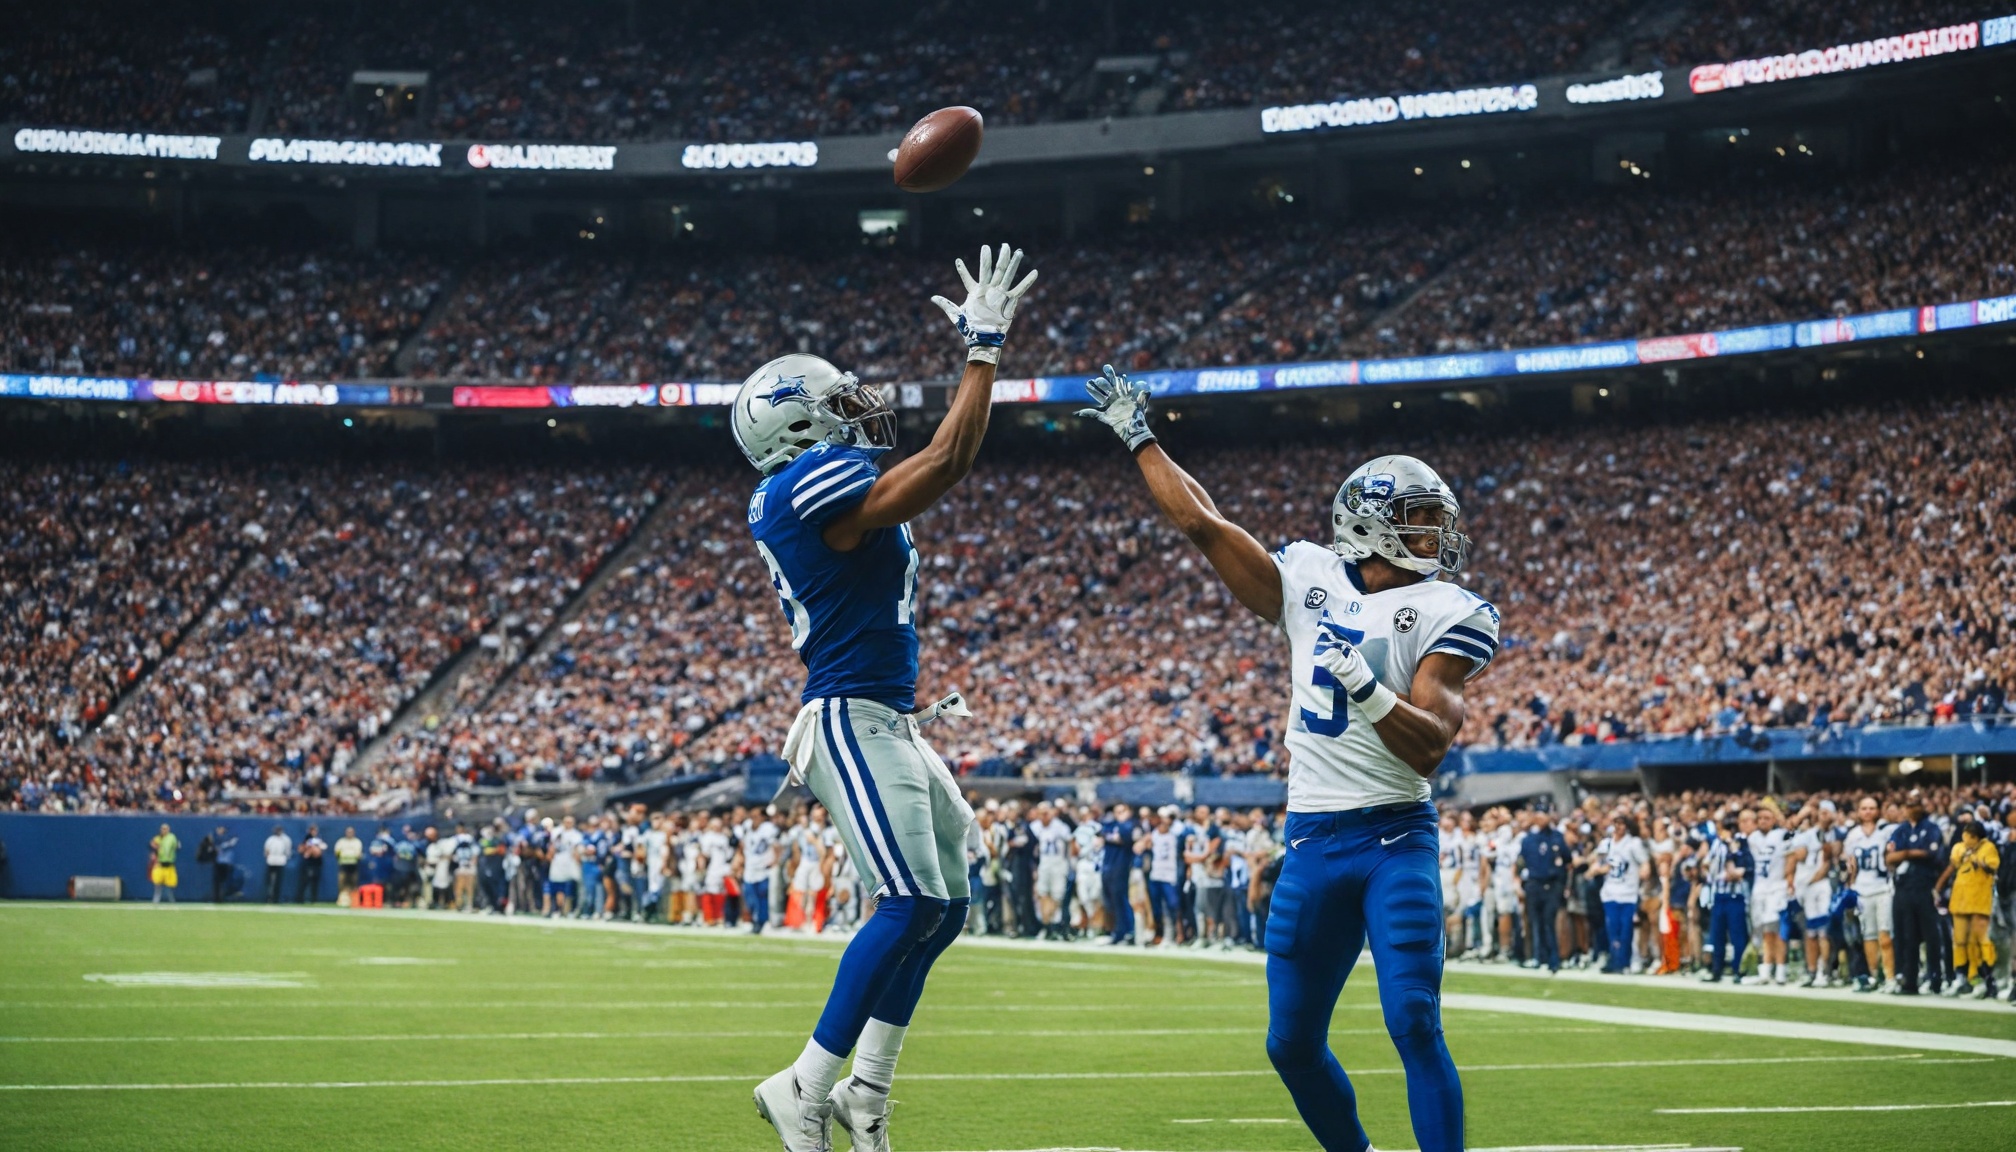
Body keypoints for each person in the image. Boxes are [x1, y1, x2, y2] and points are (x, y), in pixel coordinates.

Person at [1080, 368, 1489, 1152]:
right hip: (1309, 840)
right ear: (1368, 525)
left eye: (1436, 520)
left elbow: (1433, 745)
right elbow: (1204, 524)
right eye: (1418, 520)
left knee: (1412, 1018)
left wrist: (1367, 689)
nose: (1437, 535)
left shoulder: (1449, 610)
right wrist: (1140, 438)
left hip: (1395, 840)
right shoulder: (1305, 580)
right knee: (1289, 1044)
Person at [743, 242, 1038, 1152]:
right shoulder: (798, 486)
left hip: (890, 719)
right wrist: (982, 351)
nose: (854, 410)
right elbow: (946, 462)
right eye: (832, 407)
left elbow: (940, 462)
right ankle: (804, 1084)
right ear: (793, 435)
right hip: (845, 717)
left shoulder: (817, 480)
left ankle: (864, 1092)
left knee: (944, 906)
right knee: (906, 903)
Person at [1888, 796, 1946, 995]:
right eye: (1909, 805)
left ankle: (1935, 979)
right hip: (1904, 886)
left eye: (1915, 805)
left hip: (1924, 884)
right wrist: (1910, 853)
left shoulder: (1930, 827)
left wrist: (1905, 853)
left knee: (1931, 935)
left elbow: (1932, 853)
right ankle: (1909, 979)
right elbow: (1890, 857)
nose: (1912, 808)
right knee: (1907, 935)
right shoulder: (1901, 829)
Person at [1936, 821, 2000, 998]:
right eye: (1965, 834)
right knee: (1959, 940)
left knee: (1979, 940)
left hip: (1979, 900)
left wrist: (1979, 861)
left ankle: (1984, 979)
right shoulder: (1959, 847)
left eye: (1971, 835)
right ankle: (1961, 978)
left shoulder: (1988, 848)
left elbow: (1993, 867)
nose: (1967, 838)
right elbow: (1953, 862)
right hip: (1960, 898)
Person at [1843, 796, 1896, 992]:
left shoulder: (1886, 832)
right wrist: (1851, 888)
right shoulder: (1852, 835)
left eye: (1871, 808)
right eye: (1864, 808)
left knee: (1886, 935)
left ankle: (1890, 977)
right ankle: (1873, 975)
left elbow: (1891, 860)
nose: (1867, 812)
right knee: (1869, 936)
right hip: (1862, 890)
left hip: (1882, 888)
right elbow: (1851, 866)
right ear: (1858, 811)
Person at [1590, 814, 1649, 974]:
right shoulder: (1607, 843)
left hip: (1628, 892)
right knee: (1612, 929)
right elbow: (1597, 861)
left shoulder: (1633, 843)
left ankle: (1624, 961)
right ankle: (1615, 960)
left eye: (1622, 824)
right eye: (1616, 823)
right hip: (1610, 892)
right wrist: (1597, 868)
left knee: (1626, 930)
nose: (1619, 827)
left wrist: (1645, 870)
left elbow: (1644, 862)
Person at [1701, 816, 1755, 983]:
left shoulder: (1740, 842)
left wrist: (1732, 850)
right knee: (1717, 935)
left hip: (1735, 895)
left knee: (1737, 934)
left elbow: (1743, 866)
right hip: (1719, 893)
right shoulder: (1716, 843)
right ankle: (1716, 970)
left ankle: (1738, 969)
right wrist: (1710, 875)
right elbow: (1707, 864)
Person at [1518, 808, 1567, 973]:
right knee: (1535, 922)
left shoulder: (1556, 837)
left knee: (1548, 921)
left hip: (1551, 885)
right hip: (1534, 884)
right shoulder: (1528, 839)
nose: (1540, 819)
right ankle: (1539, 957)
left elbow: (1567, 858)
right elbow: (1522, 861)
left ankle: (1553, 958)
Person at [1098, 802, 1137, 945]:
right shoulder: (1110, 824)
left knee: (1121, 900)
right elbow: (1100, 835)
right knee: (1111, 902)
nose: (1119, 814)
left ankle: (1128, 932)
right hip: (1108, 866)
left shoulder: (1130, 825)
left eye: (1122, 811)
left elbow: (1125, 837)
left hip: (1121, 866)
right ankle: (1117, 931)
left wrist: (1120, 824)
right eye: (1117, 811)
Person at [148, 824, 180, 904]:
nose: (164, 830)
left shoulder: (171, 837)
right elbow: (152, 845)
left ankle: (172, 902)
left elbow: (175, 846)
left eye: (165, 829)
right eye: (162, 829)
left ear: (168, 829)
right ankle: (155, 902)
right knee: (157, 885)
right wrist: (155, 849)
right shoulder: (157, 838)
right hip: (160, 864)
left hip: (169, 865)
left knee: (169, 887)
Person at [333, 826, 364, 907]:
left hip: (353, 865)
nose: (349, 833)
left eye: (351, 832)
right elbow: (336, 852)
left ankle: (353, 901)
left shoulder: (357, 842)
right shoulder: (341, 842)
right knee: (342, 883)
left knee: (353, 883)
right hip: (343, 865)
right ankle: (341, 900)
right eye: (348, 832)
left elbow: (359, 854)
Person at [296, 824, 327, 904]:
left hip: (316, 864)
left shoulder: (318, 839)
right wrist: (309, 850)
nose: (314, 832)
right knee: (305, 882)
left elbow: (322, 848)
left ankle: (313, 899)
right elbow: (303, 851)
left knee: (314, 883)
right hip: (309, 864)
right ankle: (300, 898)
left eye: (315, 830)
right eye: (312, 830)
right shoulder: (307, 839)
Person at [262, 824, 292, 904]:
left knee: (278, 881)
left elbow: (288, 851)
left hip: (280, 860)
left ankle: (276, 898)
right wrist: (269, 857)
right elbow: (266, 850)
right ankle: (269, 897)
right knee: (270, 880)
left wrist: (284, 858)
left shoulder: (285, 839)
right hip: (271, 860)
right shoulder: (271, 839)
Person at [208, 825, 238, 903]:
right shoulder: (215, 838)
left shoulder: (226, 838)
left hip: (225, 862)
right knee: (217, 881)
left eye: (221, 829)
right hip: (218, 862)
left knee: (224, 881)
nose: (219, 831)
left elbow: (231, 843)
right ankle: (216, 898)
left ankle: (222, 898)